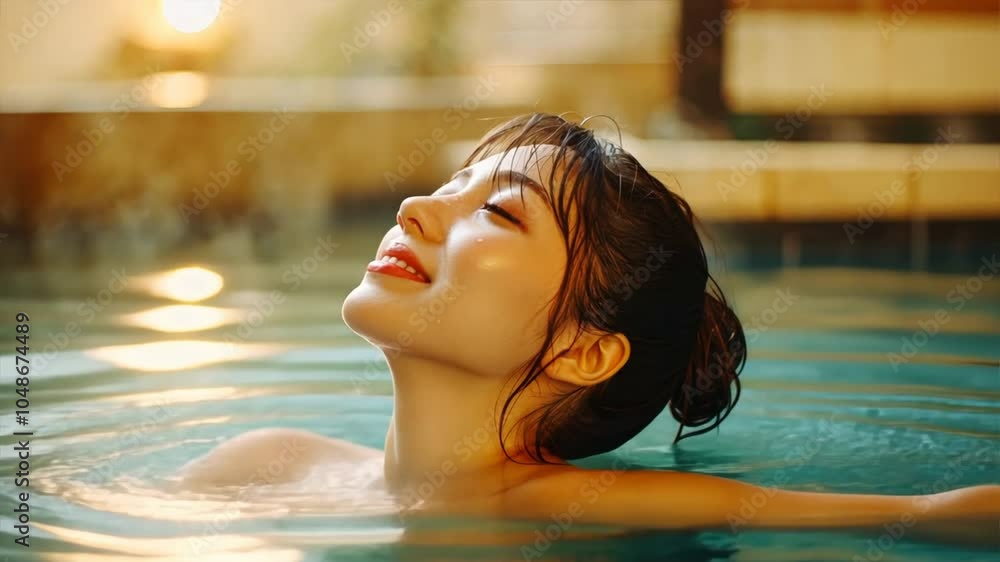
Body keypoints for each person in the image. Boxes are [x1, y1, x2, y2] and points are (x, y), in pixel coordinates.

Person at [177, 113, 998, 542]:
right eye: (451, 186)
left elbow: (926, 514)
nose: (415, 208)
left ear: (585, 349)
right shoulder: (265, 463)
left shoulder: (576, 505)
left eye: (495, 213)